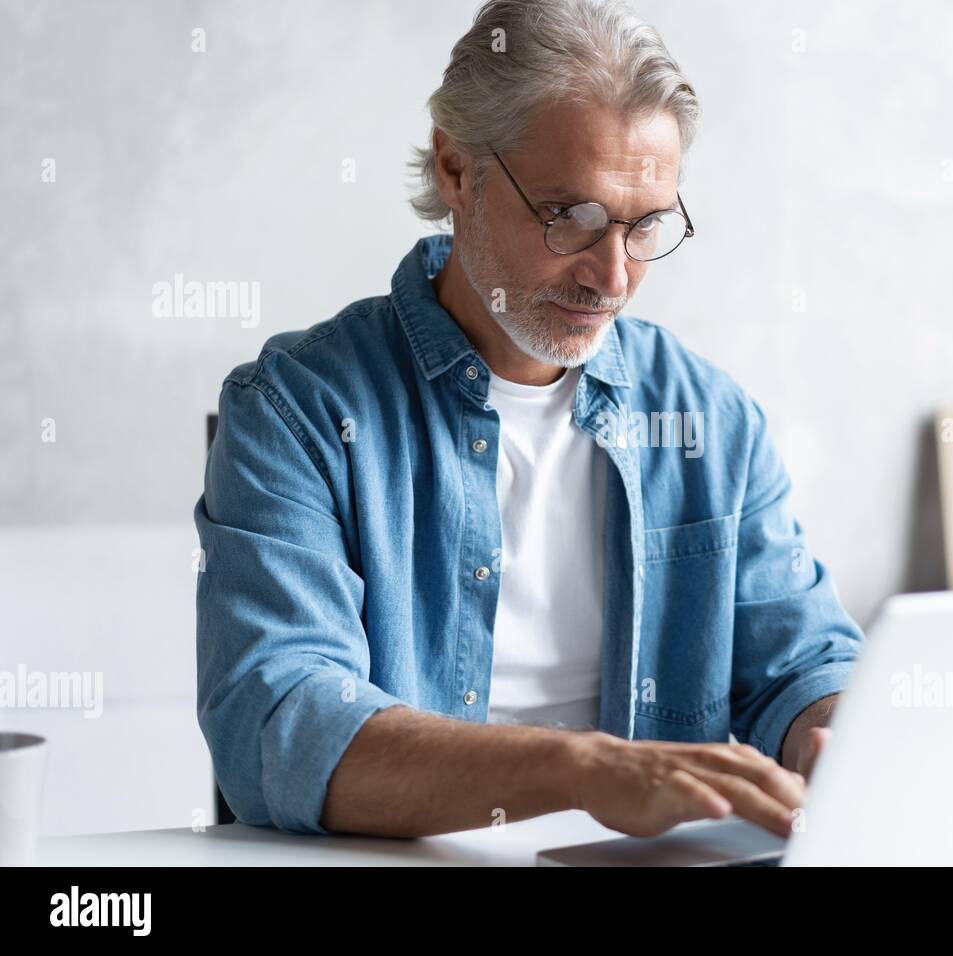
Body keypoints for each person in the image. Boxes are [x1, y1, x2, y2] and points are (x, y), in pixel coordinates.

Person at [195, 0, 863, 840]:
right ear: (455, 169)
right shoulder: (298, 412)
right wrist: (580, 771)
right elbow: (280, 726)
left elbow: (801, 665)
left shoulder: (710, 419)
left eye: (646, 225)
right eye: (571, 217)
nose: (612, 278)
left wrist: (835, 730)